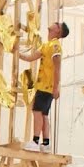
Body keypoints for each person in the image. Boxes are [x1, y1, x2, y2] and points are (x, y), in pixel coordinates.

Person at [20, 21, 70, 152]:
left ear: (58, 31)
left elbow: (57, 68)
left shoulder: (55, 46)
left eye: (57, 24)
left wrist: (56, 87)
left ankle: (35, 141)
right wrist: (17, 53)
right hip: (44, 86)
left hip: (46, 86)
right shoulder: (46, 45)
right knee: (43, 114)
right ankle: (46, 143)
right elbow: (30, 58)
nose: (54, 23)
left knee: (37, 112)